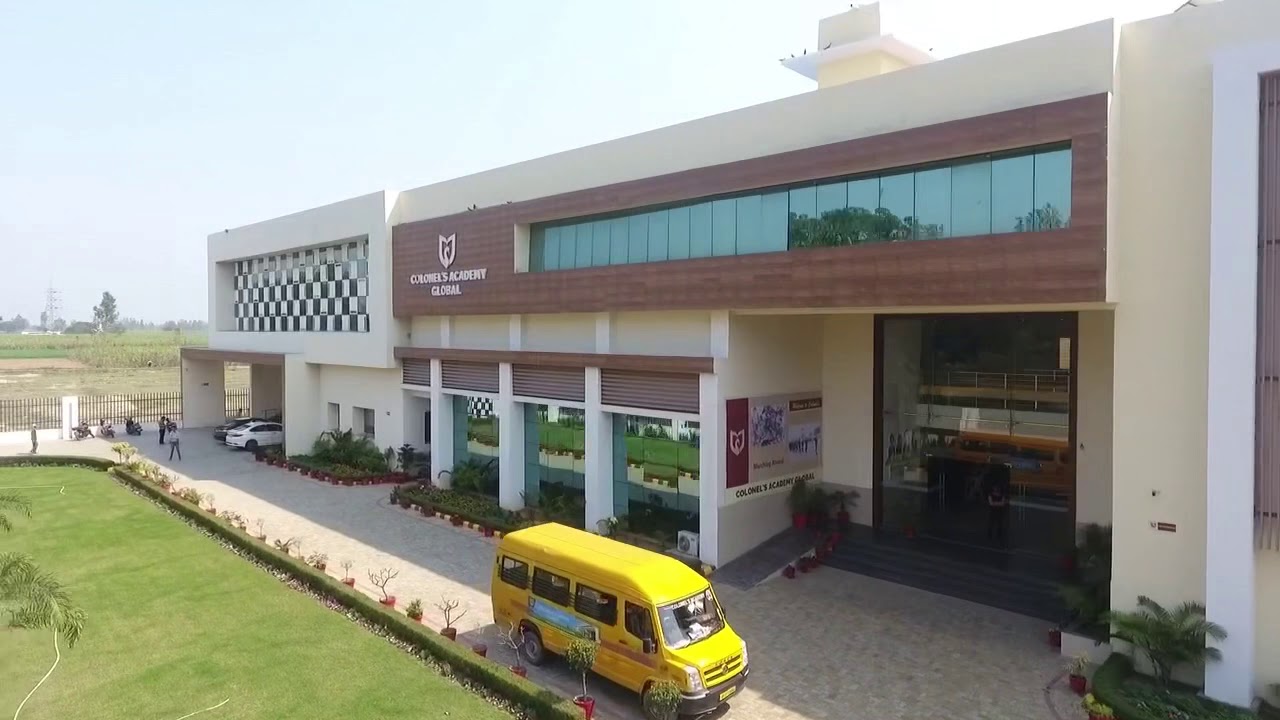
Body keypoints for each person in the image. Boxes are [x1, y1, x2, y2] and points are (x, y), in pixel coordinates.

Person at [986, 480, 1009, 546]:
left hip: (999, 512)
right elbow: (991, 503)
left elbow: (1002, 503)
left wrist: (996, 503)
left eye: (997, 487)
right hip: (992, 511)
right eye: (995, 487)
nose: (996, 488)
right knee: (991, 523)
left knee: (999, 524)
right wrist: (999, 503)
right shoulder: (990, 494)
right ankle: (989, 535)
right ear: (993, 488)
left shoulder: (1002, 495)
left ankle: (999, 536)